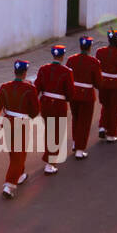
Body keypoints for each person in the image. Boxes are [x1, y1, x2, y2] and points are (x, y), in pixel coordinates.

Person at [0, 60, 40, 199]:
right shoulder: (30, 89)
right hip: (21, 124)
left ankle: (20, 174)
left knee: (14, 153)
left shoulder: (4, 87)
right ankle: (9, 185)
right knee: (18, 155)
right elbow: (35, 111)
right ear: (25, 73)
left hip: (6, 122)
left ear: (14, 72)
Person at [34, 45, 74, 173]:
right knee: (56, 133)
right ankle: (50, 163)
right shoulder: (67, 71)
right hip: (58, 104)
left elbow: (37, 87)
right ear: (62, 56)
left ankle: (48, 156)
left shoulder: (43, 69)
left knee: (49, 131)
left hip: (45, 103)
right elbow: (70, 93)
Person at [65, 35, 102, 159]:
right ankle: (80, 149)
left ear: (80, 46)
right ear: (90, 47)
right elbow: (98, 83)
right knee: (84, 122)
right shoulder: (94, 62)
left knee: (76, 119)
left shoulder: (71, 59)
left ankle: (76, 143)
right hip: (87, 95)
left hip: (74, 94)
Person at [94, 29, 117, 142]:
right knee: (114, 108)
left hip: (103, 82)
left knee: (106, 106)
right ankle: (111, 134)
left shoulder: (100, 51)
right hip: (116, 83)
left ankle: (102, 127)